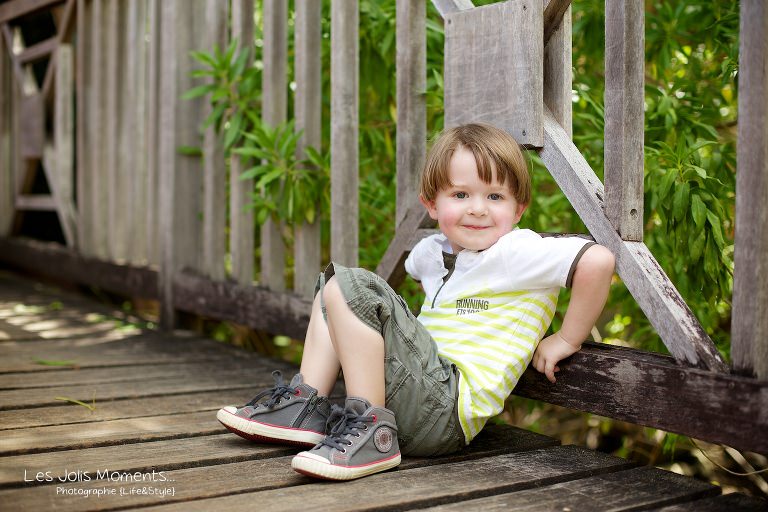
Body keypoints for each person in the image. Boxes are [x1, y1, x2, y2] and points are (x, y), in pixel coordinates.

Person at [217, 123, 615, 481]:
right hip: (416, 395)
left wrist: (566, 338)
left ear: (518, 209)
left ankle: (372, 433)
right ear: (432, 205)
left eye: (495, 196)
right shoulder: (433, 254)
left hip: (444, 408)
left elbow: (598, 261)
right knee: (332, 284)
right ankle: (306, 405)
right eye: (461, 194)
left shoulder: (517, 251)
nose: (478, 208)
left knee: (352, 284)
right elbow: (416, 263)